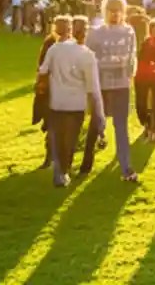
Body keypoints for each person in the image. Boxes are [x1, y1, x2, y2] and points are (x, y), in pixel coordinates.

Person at [40, 15, 104, 187]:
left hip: (57, 101)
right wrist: (95, 110)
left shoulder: (55, 48)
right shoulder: (87, 55)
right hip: (76, 103)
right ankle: (63, 171)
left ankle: (59, 169)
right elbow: (92, 87)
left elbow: (43, 69)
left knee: (58, 136)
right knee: (70, 138)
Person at [82, 0, 139, 182]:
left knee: (121, 126)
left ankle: (126, 167)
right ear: (105, 12)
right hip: (102, 85)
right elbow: (88, 58)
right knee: (96, 124)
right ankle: (86, 163)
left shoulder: (128, 31)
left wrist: (129, 73)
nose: (115, 15)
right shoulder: (96, 32)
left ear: (123, 12)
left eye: (118, 11)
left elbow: (132, 56)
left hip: (121, 84)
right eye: (111, 11)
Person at [35, 15, 72, 169]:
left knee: (57, 126)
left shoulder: (69, 44)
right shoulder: (51, 42)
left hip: (62, 90)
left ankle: (55, 157)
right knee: (54, 125)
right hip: (55, 90)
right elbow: (42, 65)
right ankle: (51, 156)